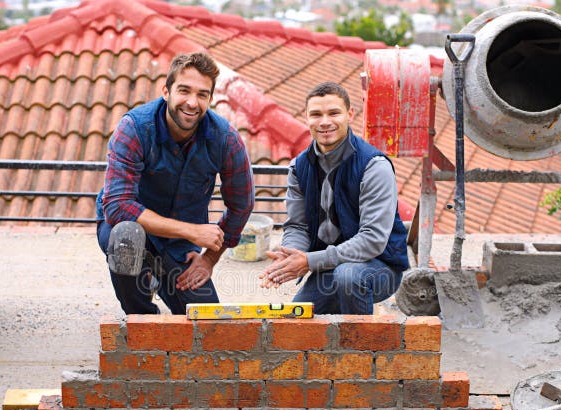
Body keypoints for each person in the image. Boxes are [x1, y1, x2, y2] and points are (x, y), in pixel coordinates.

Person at [97, 52, 254, 314]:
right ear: (166, 91)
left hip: (179, 245)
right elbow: (118, 205)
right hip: (134, 229)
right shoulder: (134, 128)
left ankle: (162, 273)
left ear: (210, 99)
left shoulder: (225, 139)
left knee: (206, 322)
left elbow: (242, 204)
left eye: (202, 95)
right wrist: (192, 232)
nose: (192, 103)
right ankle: (141, 317)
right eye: (184, 91)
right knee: (126, 239)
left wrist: (209, 259)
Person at [260, 82, 408, 314]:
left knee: (348, 276)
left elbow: (373, 240)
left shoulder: (373, 166)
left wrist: (309, 262)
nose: (325, 122)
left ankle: (360, 346)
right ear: (306, 117)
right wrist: (290, 255)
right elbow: (298, 225)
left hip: (380, 267)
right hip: (330, 266)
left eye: (334, 113)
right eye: (316, 114)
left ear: (350, 114)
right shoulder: (299, 167)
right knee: (297, 319)